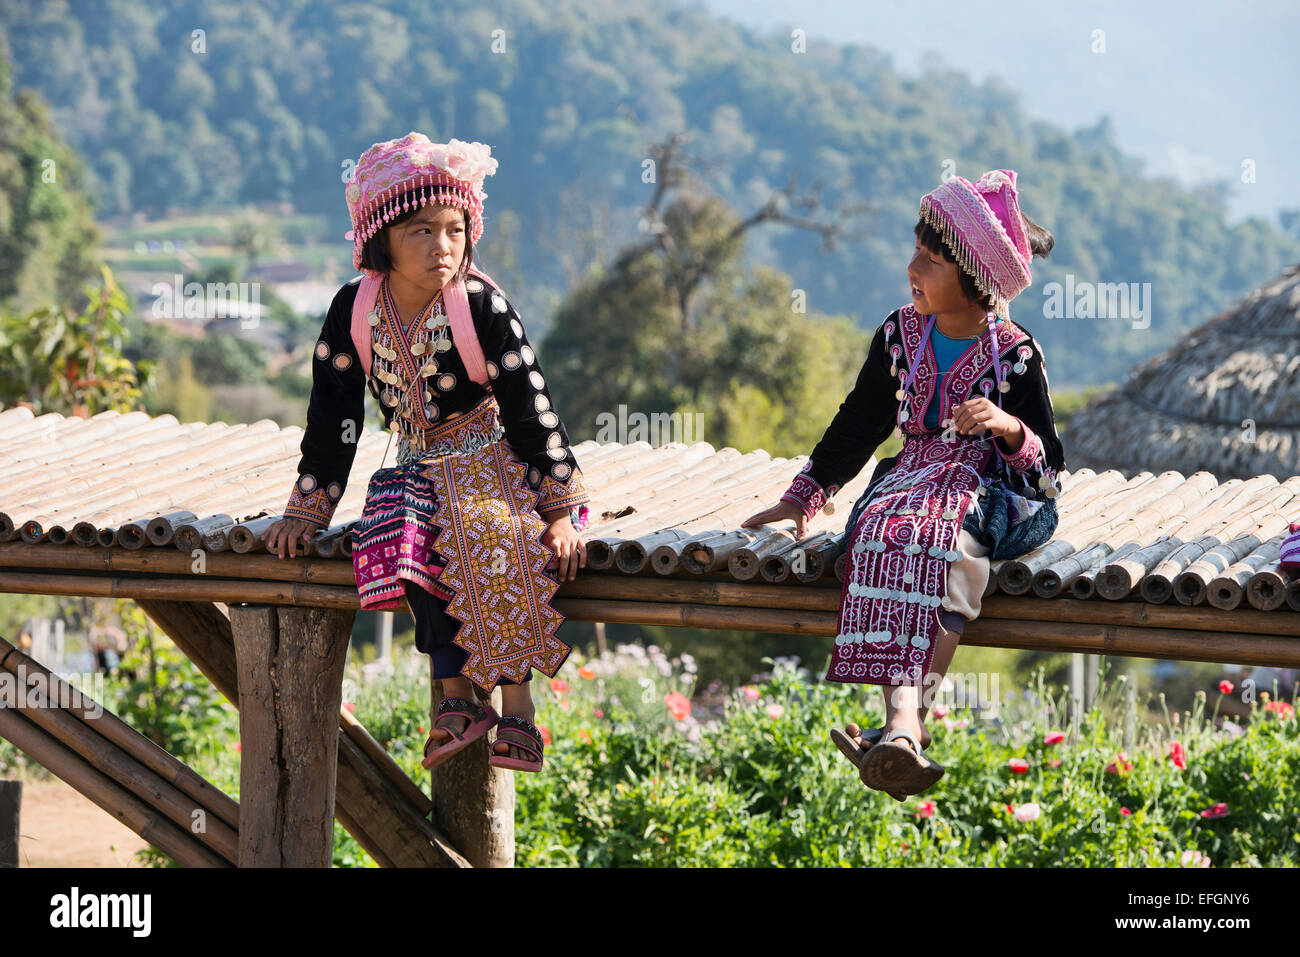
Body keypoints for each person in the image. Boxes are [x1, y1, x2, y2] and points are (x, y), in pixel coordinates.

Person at [262, 133, 591, 773]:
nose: (443, 246)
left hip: (493, 452)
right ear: (381, 239)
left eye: (455, 229)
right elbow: (333, 420)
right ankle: (457, 698)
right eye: (421, 230)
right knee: (403, 539)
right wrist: (307, 511)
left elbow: (531, 407)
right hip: (414, 460)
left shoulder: (481, 305)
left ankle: (518, 711)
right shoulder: (351, 311)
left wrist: (557, 510)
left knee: (493, 533)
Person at [743, 169, 1065, 799]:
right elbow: (860, 422)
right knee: (883, 535)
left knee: (948, 548)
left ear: (974, 278)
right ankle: (903, 736)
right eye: (915, 251)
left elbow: (1050, 468)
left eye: (931, 258)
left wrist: (1006, 427)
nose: (912, 267)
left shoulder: (1017, 354)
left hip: (992, 489)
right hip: (911, 479)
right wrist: (804, 494)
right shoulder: (898, 336)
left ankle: (899, 727)